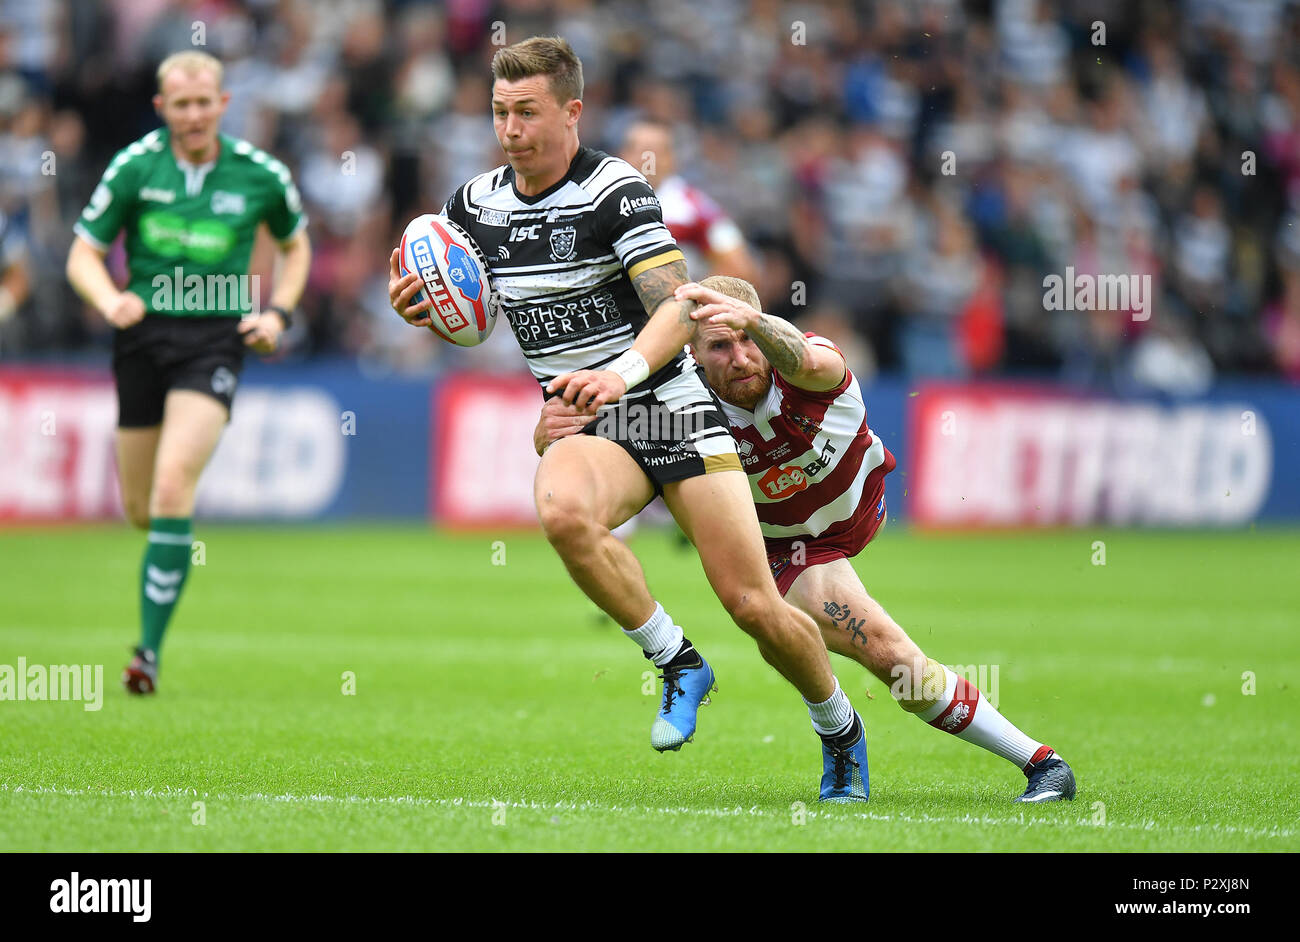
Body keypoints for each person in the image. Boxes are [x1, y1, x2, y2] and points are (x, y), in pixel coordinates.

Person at [390, 36, 869, 802]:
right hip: (591, 425)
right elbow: (473, 317)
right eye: (499, 113)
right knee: (562, 512)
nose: (510, 130)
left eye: (527, 113)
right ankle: (679, 662)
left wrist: (618, 376)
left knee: (754, 605)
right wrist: (422, 309)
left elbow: (679, 305)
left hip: (668, 411)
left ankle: (839, 729)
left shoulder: (616, 190)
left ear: (572, 111)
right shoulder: (472, 207)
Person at [540, 275, 1077, 802]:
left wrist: (757, 323)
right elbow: (590, 440)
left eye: (747, 339)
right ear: (693, 358)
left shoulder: (809, 363)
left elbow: (801, 356)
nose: (741, 357)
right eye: (720, 346)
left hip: (861, 510)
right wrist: (548, 432)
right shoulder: (682, 412)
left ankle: (850, 737)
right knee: (889, 657)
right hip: (787, 548)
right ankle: (1042, 764)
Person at [66, 50, 311, 695]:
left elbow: (296, 244)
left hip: (215, 344)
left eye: (206, 103)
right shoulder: (134, 166)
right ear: (162, 109)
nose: (195, 114)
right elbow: (83, 255)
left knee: (174, 489)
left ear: (223, 105)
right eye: (182, 104)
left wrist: (279, 314)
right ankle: (164, 563)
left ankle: (146, 653)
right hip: (142, 340)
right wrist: (108, 298)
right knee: (143, 509)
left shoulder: (259, 173)